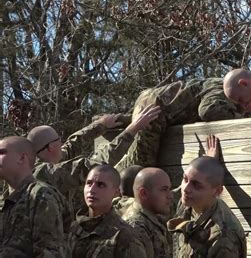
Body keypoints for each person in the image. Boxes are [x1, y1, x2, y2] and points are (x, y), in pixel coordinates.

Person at [27, 105, 160, 213]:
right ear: (50, 147)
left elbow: (73, 144)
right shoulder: (44, 174)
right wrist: (132, 129)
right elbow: (97, 165)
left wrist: (100, 125)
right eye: (58, 140)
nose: (62, 143)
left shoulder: (47, 157)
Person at [114, 78, 243, 170]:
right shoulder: (220, 89)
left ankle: (111, 175)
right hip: (154, 118)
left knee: (132, 164)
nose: (250, 105)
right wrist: (238, 115)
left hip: (150, 103)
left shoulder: (210, 83)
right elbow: (207, 111)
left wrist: (122, 119)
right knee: (142, 173)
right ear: (243, 84)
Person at [0, 136, 68, 257]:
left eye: (1, 153)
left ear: (21, 158)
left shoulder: (41, 196)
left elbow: (49, 252)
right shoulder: (4, 201)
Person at [167, 156, 247, 257]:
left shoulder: (223, 238)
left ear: (217, 191)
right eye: (185, 179)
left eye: (196, 185)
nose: (186, 189)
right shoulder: (188, 202)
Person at [67, 164, 146, 258]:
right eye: (89, 183)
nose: (91, 190)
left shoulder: (124, 237)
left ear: (116, 193)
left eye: (101, 185)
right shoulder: (68, 226)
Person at [123, 167, 173, 258]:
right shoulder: (135, 228)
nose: (170, 196)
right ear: (143, 193)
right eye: (164, 189)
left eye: (169, 189)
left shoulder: (151, 218)